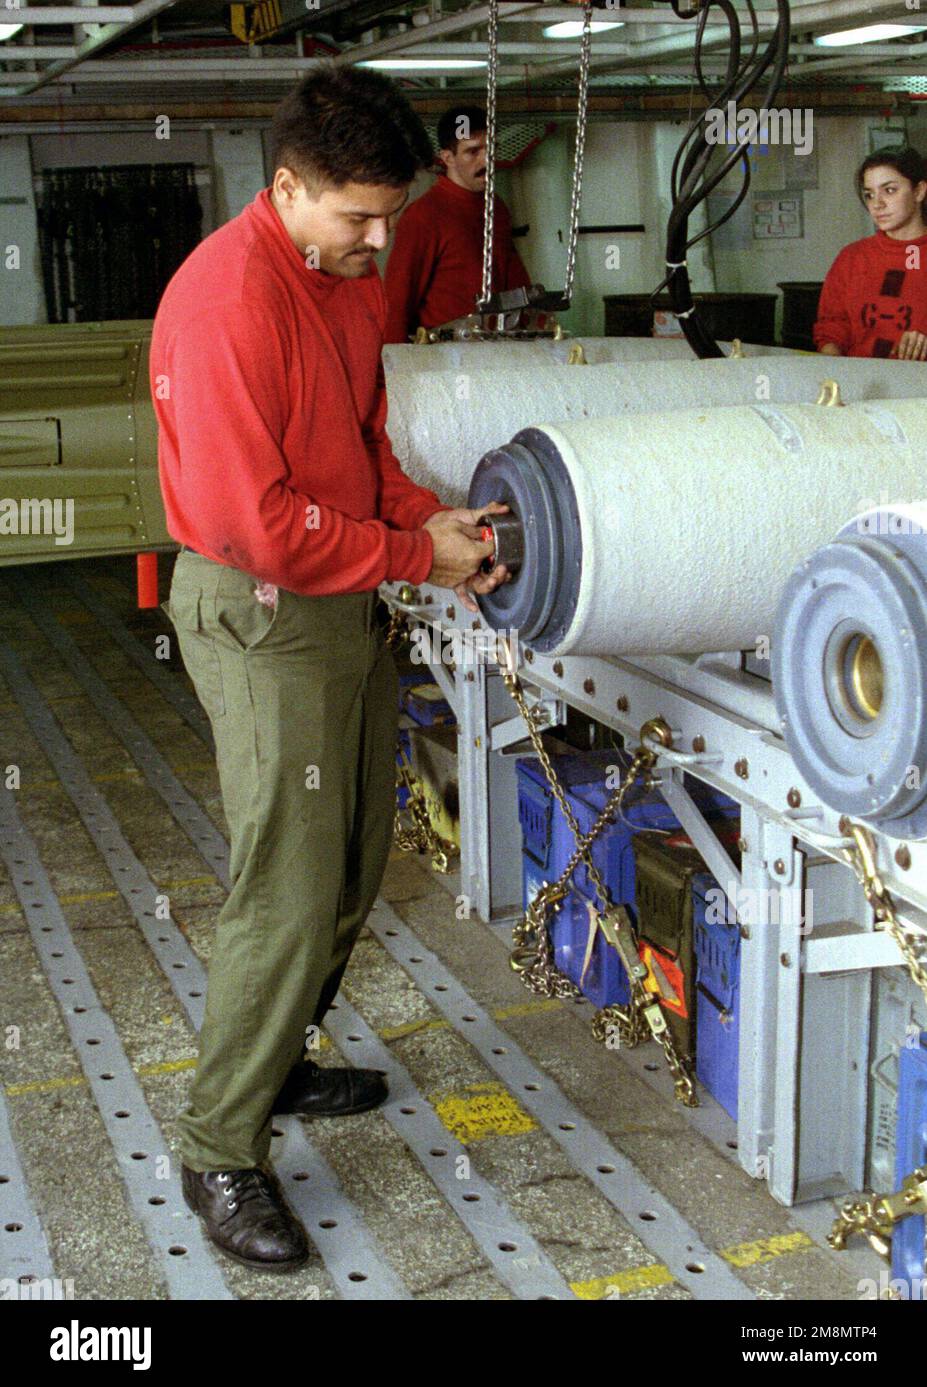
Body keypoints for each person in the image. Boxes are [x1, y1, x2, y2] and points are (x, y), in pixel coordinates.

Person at [150, 66, 509, 1273]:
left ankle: (280, 1053)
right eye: (357, 215)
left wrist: (439, 526)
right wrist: (412, 552)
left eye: (391, 213)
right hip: (262, 611)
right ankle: (217, 1143)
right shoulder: (223, 303)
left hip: (345, 595)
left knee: (356, 859)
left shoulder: (349, 283)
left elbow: (361, 449)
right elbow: (258, 520)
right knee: (289, 885)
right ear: (286, 186)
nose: (380, 239)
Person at [383, 103, 531, 342]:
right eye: (472, 152)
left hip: (496, 349)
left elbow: (513, 280)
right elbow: (398, 299)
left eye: (491, 149)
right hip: (444, 356)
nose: (486, 161)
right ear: (447, 157)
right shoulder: (424, 216)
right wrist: (392, 370)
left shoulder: (497, 208)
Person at [814, 146, 927, 360]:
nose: (877, 204)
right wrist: (832, 365)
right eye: (869, 194)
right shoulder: (852, 257)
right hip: (861, 386)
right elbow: (832, 327)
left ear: (919, 191)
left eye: (890, 190)